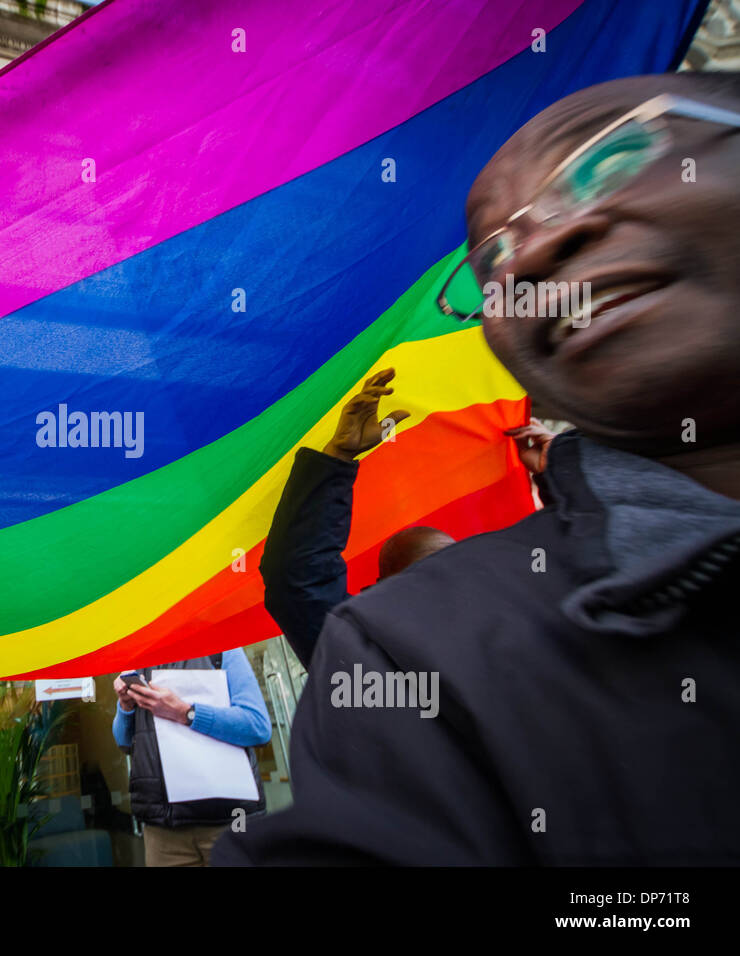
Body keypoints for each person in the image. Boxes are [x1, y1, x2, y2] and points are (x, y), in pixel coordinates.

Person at [215, 71, 740, 865]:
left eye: (610, 161)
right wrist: (332, 458)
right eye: (490, 259)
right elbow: (299, 580)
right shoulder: (407, 655)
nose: (531, 254)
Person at [260, 367, 454, 666]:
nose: (441, 585)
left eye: (451, 568)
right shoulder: (373, 658)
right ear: (385, 590)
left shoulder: (511, 643)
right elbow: (299, 581)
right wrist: (338, 456)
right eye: (423, 573)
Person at [112, 648, 271, 866]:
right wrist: (125, 706)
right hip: (163, 832)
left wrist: (186, 712)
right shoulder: (139, 658)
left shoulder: (224, 648)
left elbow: (258, 726)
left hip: (230, 821)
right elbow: (124, 742)